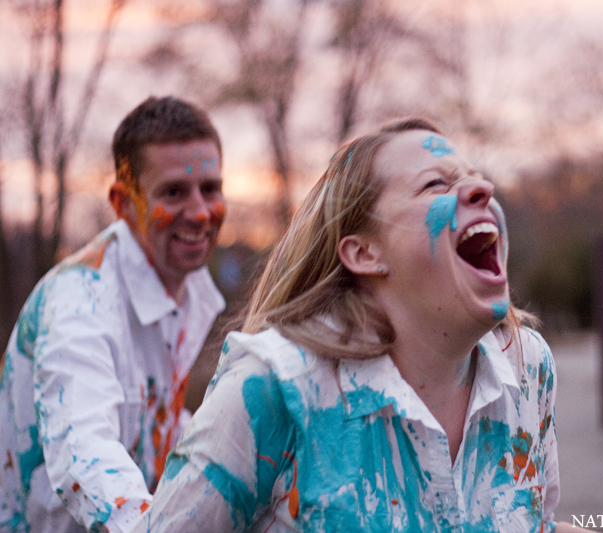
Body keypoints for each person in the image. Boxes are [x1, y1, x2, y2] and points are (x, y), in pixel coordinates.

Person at [135, 117, 563, 533]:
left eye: (476, 178)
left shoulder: (527, 367)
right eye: (435, 184)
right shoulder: (275, 388)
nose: (484, 189)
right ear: (364, 253)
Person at [0, 96, 227, 533]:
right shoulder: (80, 304)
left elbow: (156, 420)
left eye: (211, 188)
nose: (200, 212)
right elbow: (84, 451)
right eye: (174, 192)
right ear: (124, 202)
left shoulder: (190, 289)